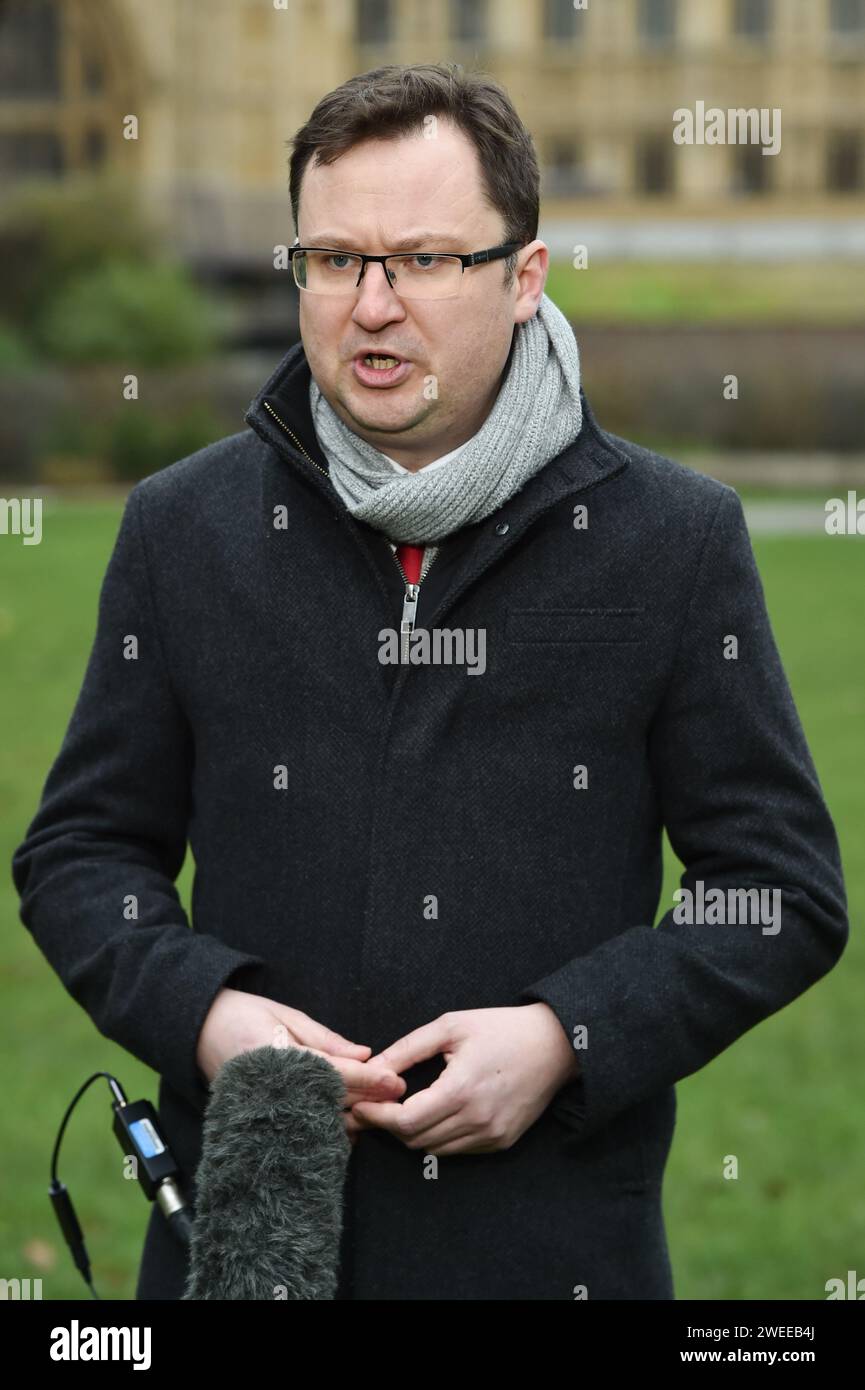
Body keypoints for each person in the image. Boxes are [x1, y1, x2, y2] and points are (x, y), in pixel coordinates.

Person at [12, 62, 848, 1301]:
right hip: (251, 1247)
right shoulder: (179, 529)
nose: (371, 305)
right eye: (335, 259)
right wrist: (208, 1015)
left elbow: (778, 887)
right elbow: (81, 851)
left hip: (549, 1252)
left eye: (420, 260)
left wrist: (567, 1037)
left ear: (522, 279)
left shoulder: (673, 540)